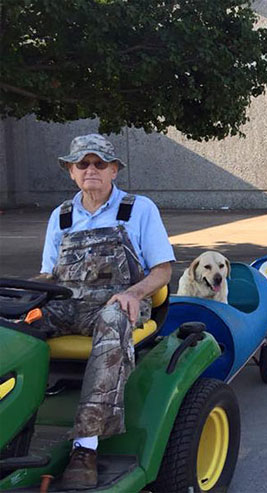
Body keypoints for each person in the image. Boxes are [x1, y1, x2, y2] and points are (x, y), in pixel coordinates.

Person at [34, 134, 175, 488]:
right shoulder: (61, 216)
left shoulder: (138, 209)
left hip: (119, 303)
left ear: (114, 169)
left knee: (113, 320)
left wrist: (133, 293)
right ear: (71, 172)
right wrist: (28, 299)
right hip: (69, 304)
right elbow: (48, 274)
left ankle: (86, 448)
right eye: (82, 164)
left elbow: (163, 270)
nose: (91, 170)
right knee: (14, 324)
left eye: (99, 163)